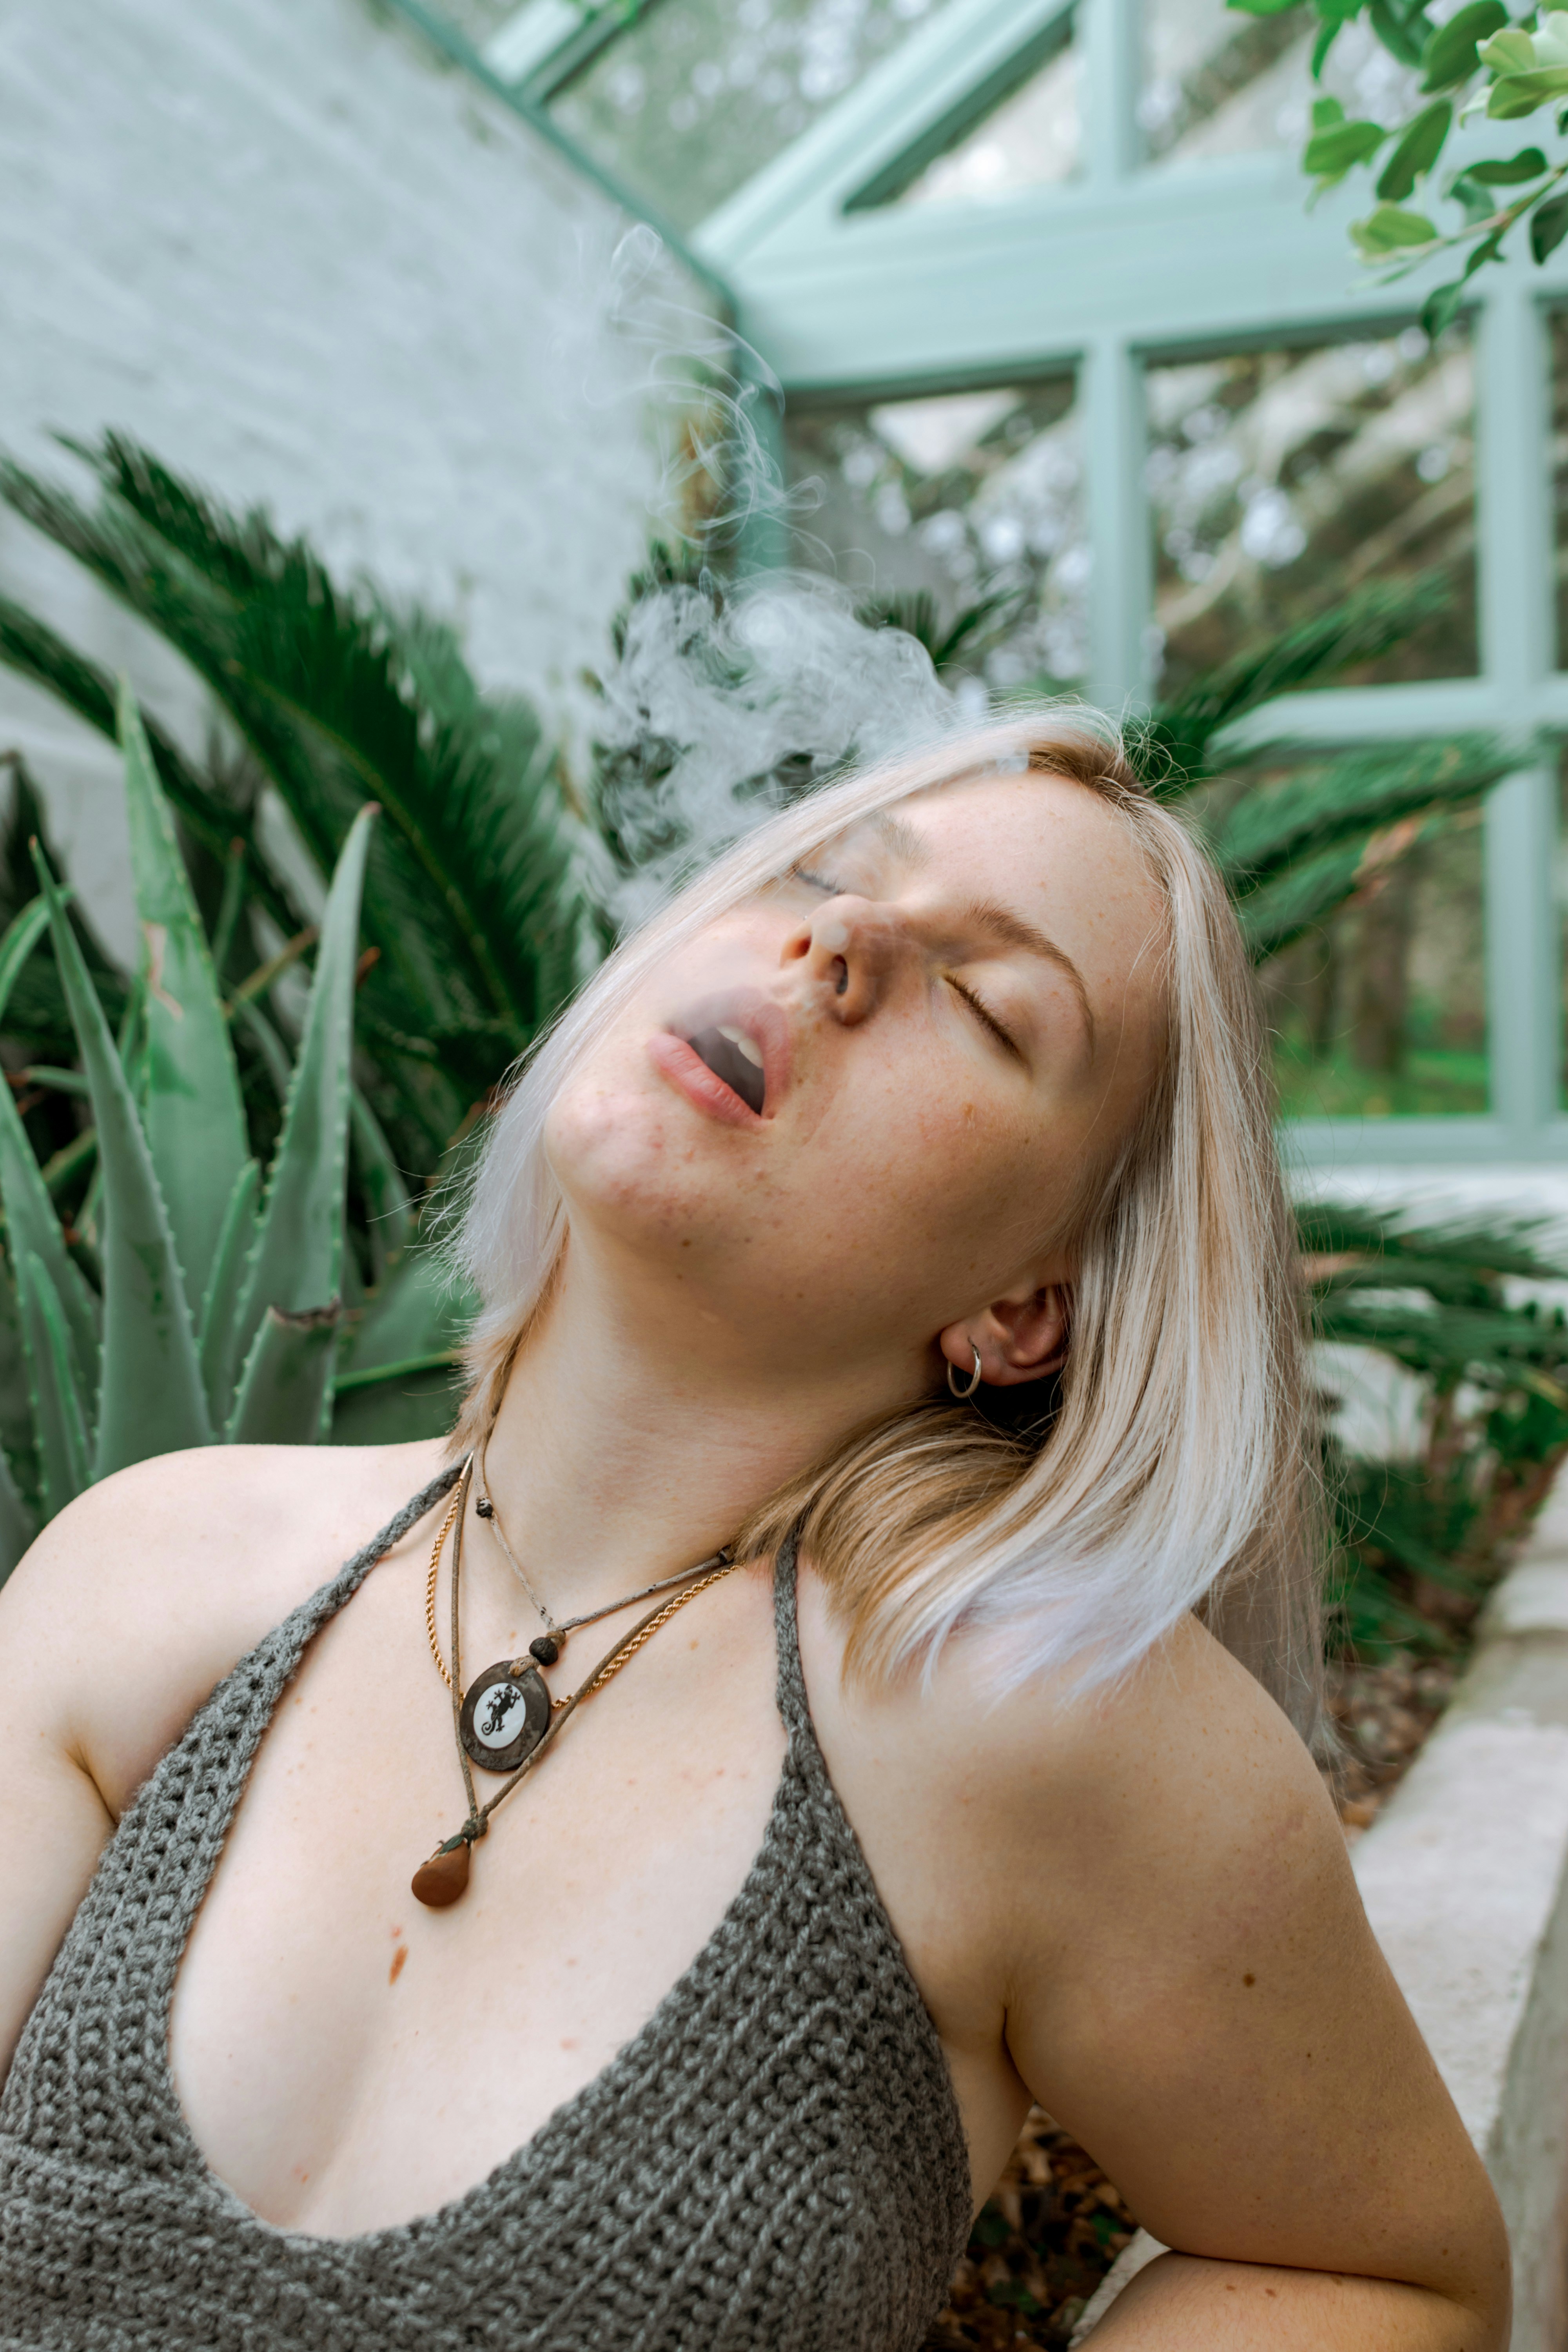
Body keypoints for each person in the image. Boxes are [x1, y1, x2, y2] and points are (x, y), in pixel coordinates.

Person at [0, 714, 1508, 2351]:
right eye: (818, 871)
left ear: (1026, 1307)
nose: (839, 941)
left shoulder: (1041, 1730)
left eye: (986, 1004)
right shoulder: (145, 1574)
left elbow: (1390, 2275)